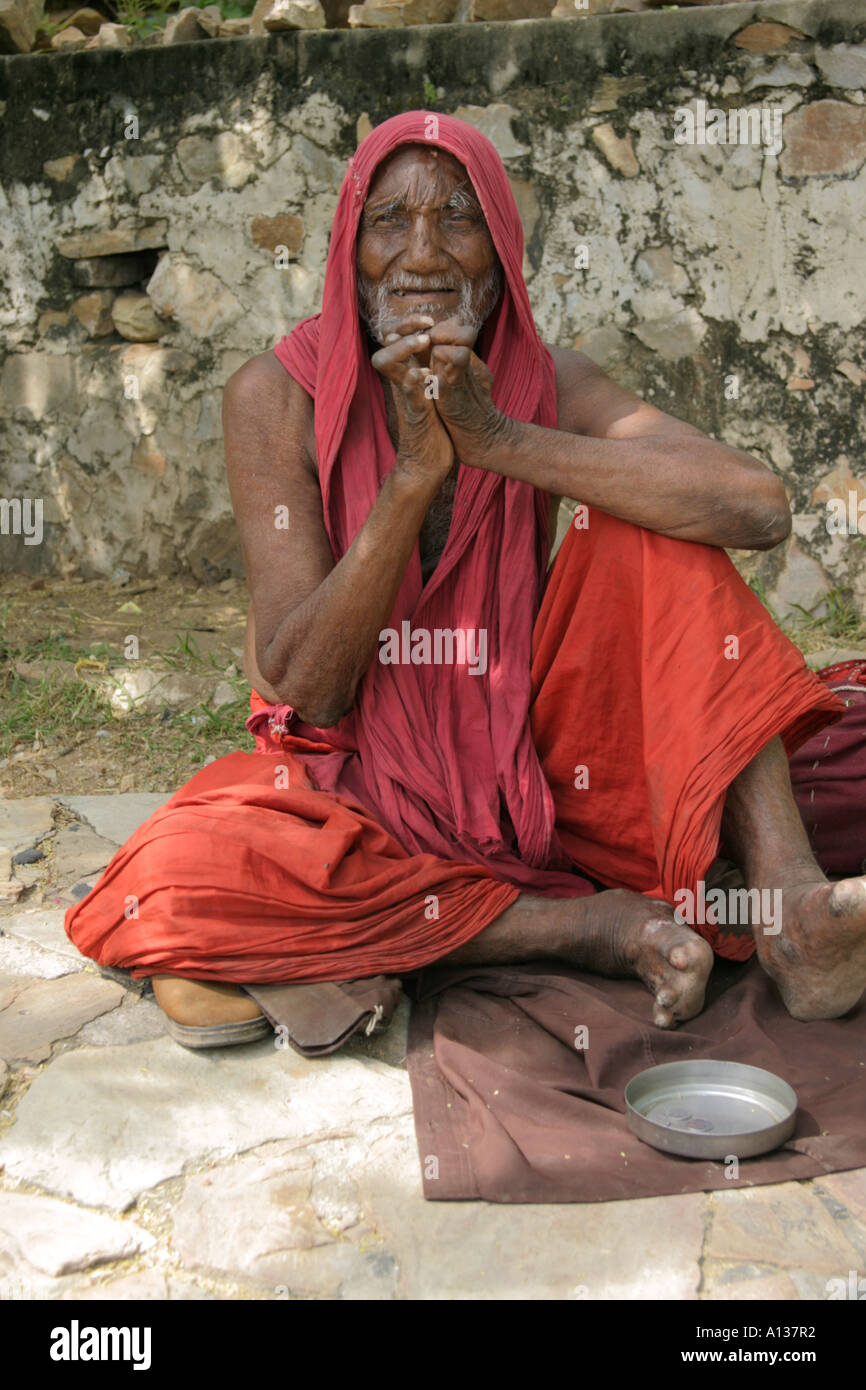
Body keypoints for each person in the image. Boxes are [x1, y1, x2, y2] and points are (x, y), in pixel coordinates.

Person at [66, 112, 866, 1047]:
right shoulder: (275, 397)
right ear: (348, 247)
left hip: (533, 767)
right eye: (389, 220)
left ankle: (790, 908)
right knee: (179, 876)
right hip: (357, 787)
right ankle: (581, 925)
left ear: (501, 248)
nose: (423, 253)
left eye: (458, 217)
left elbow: (755, 507)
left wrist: (497, 439)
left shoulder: (545, 381)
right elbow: (309, 689)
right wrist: (414, 476)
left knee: (663, 530)